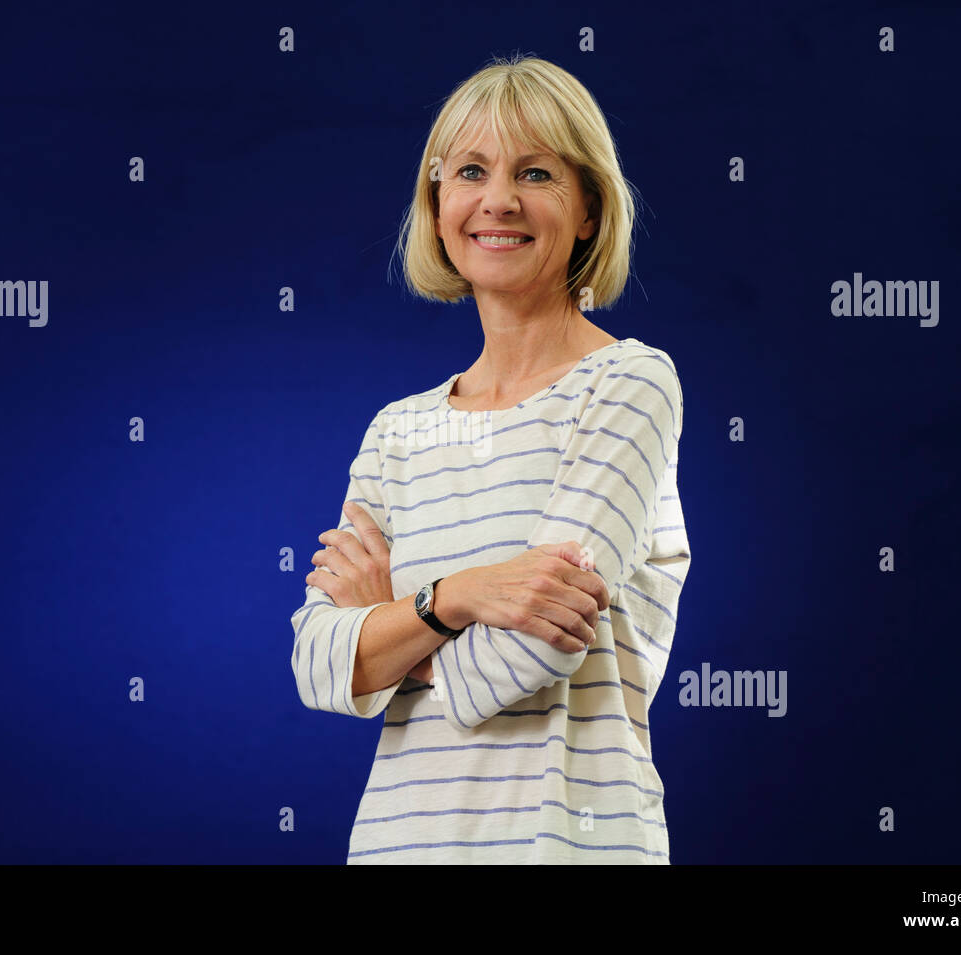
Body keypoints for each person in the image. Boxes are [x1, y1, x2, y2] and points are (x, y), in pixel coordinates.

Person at [290, 54, 691, 863]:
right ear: (438, 206)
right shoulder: (396, 431)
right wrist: (462, 596)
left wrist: (396, 625)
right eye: (470, 170)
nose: (497, 199)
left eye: (535, 172)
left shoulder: (628, 384)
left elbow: (534, 652)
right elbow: (320, 665)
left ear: (587, 209)